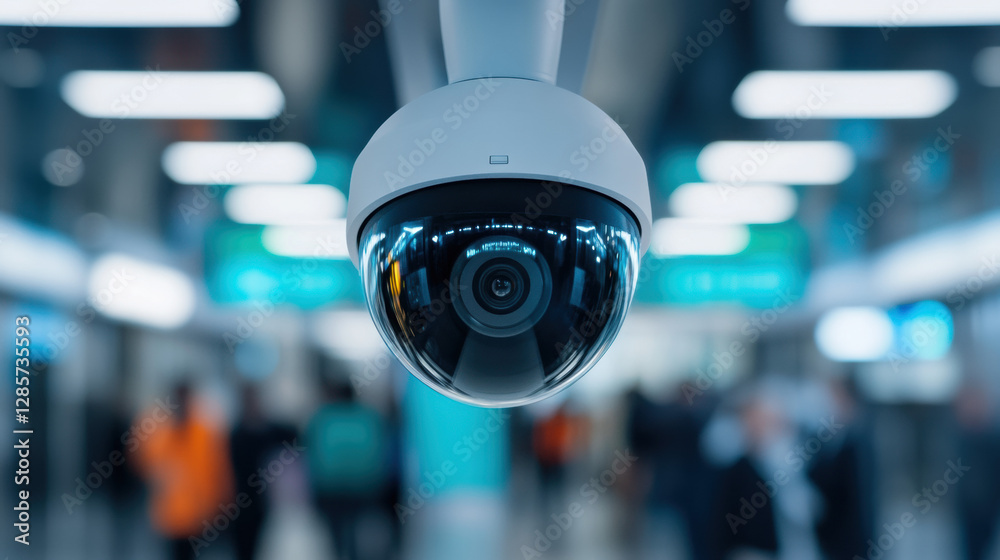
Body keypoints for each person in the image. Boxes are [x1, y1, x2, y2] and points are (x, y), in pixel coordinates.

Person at [132, 381, 234, 560]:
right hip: (169, 513)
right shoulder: (160, 431)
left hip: (198, 512)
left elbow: (217, 469)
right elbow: (144, 463)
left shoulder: (203, 431)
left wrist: (220, 501)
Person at [306, 380, 390, 560]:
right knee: (356, 527)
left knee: (335, 529)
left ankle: (338, 553)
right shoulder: (368, 417)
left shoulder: (323, 417)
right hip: (362, 485)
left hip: (330, 486)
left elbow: (312, 452)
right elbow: (377, 451)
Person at [229, 384, 297, 560]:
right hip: (236, 501)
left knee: (257, 546)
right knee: (242, 548)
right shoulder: (236, 434)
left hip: (260, 501)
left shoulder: (267, 430)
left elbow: (294, 434)